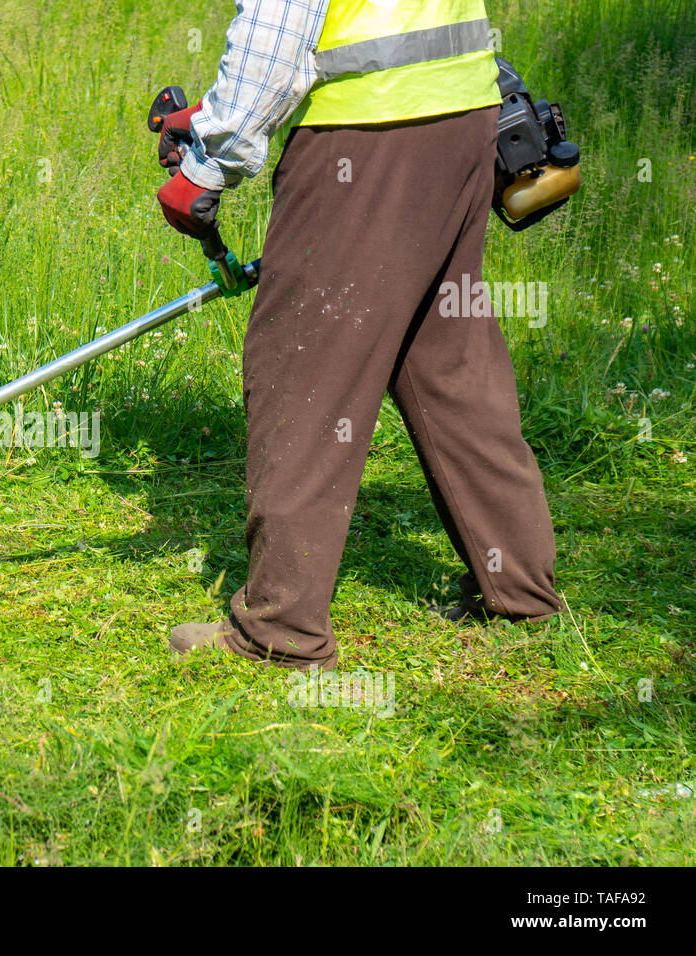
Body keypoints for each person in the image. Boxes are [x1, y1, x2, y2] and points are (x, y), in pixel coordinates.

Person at [157, 0, 564, 670]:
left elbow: (275, 31)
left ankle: (280, 630)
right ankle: (519, 588)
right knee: (445, 360)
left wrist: (208, 161)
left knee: (304, 368)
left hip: (368, 130)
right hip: (463, 110)